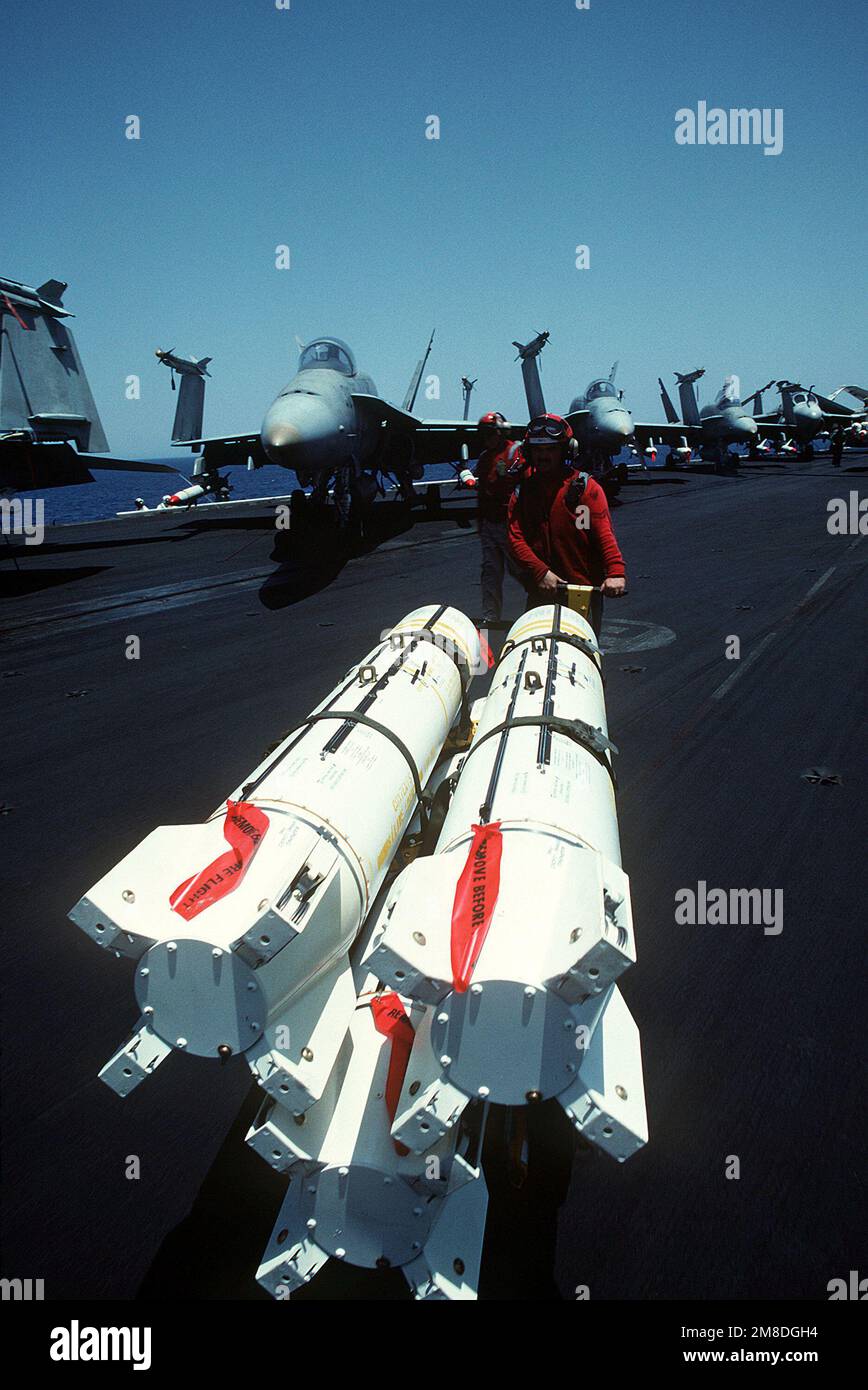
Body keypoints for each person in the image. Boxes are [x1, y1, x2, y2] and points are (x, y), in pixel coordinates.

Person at [507, 413, 626, 639]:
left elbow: (603, 534)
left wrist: (616, 572)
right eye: (538, 450)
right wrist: (541, 572)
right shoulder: (522, 492)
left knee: (582, 657)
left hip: (580, 593)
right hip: (540, 589)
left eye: (551, 449)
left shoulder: (585, 489)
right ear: (529, 452)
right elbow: (515, 538)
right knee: (536, 651)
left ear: (566, 450)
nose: (544, 455)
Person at [459, 411, 524, 623]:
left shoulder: (516, 451)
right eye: (483, 433)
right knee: (490, 572)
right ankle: (491, 616)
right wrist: (471, 481)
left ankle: (541, 604)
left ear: (500, 432)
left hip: (510, 522)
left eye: (490, 433)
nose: (486, 438)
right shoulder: (486, 457)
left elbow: (523, 483)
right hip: (490, 522)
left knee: (521, 569)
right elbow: (485, 487)